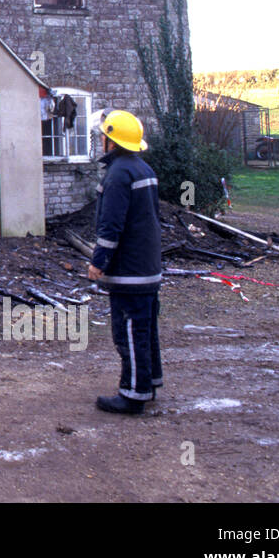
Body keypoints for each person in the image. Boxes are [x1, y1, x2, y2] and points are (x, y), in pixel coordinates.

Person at [87, 109, 163, 415]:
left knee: (129, 330)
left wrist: (99, 262)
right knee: (146, 329)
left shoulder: (118, 175)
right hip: (147, 268)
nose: (101, 140)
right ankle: (150, 382)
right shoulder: (143, 170)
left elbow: (111, 226)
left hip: (130, 271)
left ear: (112, 141)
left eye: (104, 136)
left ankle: (133, 394)